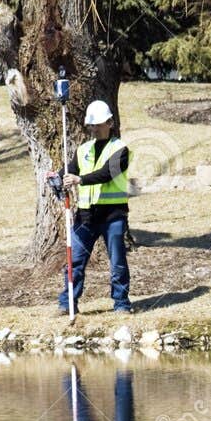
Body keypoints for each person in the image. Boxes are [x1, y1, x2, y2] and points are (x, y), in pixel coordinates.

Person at [59, 100, 133, 315]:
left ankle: (121, 303)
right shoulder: (83, 150)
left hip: (113, 215)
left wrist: (79, 179)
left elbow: (107, 173)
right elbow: (68, 171)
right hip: (85, 216)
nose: (95, 129)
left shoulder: (120, 149)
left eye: (99, 124)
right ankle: (68, 303)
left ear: (110, 123)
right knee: (74, 261)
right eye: (92, 125)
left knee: (117, 261)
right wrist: (58, 177)